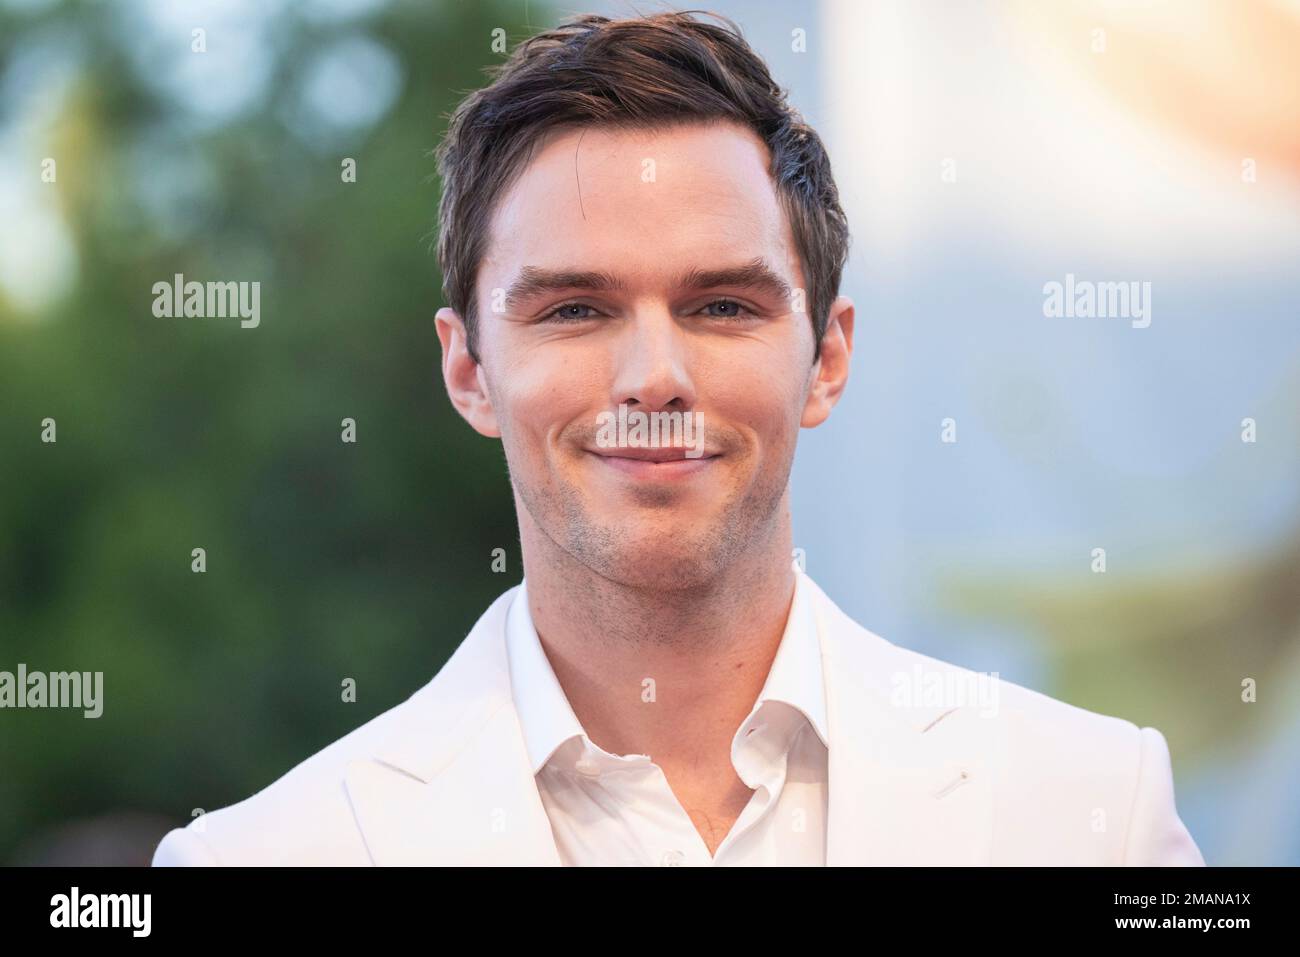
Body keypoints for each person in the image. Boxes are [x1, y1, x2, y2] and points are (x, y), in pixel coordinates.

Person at [153, 9, 1204, 866]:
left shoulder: (1091, 814)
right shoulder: (266, 857)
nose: (653, 375)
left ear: (826, 359)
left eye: (720, 307)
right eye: (574, 309)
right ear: (468, 368)